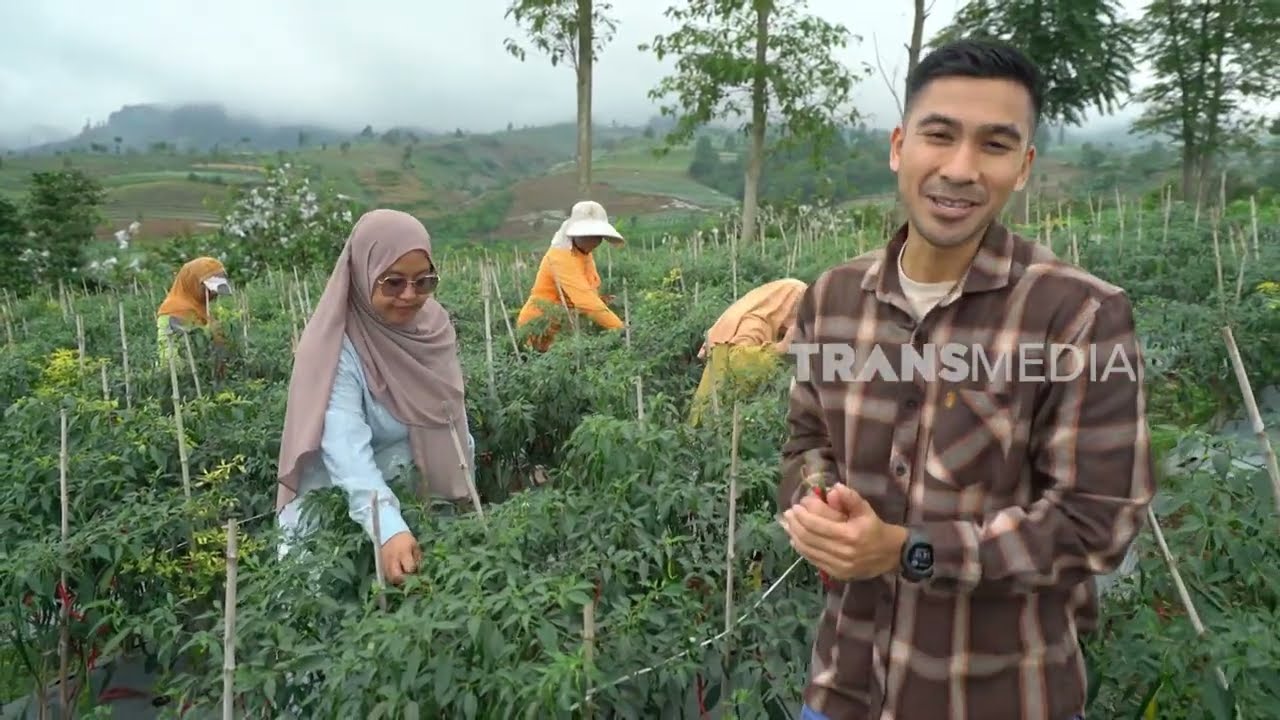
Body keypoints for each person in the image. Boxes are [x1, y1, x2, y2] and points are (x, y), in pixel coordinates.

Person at [777, 39, 1154, 720]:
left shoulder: (1078, 315)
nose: (960, 169)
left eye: (995, 145)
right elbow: (806, 439)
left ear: (1024, 167)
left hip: (1002, 696)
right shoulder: (830, 299)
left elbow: (1098, 523)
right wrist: (818, 504)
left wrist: (908, 550)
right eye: (939, 135)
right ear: (898, 146)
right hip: (842, 690)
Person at [274, 208, 476, 586]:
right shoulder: (335, 349)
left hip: (420, 503)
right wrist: (386, 526)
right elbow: (345, 448)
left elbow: (449, 421)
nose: (410, 295)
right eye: (393, 283)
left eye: (424, 281)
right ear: (364, 274)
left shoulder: (432, 328)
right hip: (338, 521)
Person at [688, 278, 808, 426]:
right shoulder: (755, 323)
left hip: (727, 410)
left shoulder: (770, 324)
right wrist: (780, 350)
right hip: (718, 414)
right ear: (785, 303)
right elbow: (738, 363)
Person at [516, 200, 625, 351]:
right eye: (591, 235)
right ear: (576, 235)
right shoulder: (561, 257)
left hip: (561, 328)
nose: (597, 241)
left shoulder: (583, 253)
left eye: (599, 236)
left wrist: (603, 301)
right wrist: (620, 329)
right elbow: (584, 300)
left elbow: (590, 290)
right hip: (538, 327)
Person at [155, 256, 232, 367]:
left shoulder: (200, 308)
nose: (213, 293)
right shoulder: (176, 309)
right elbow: (186, 347)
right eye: (206, 288)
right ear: (191, 282)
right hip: (181, 375)